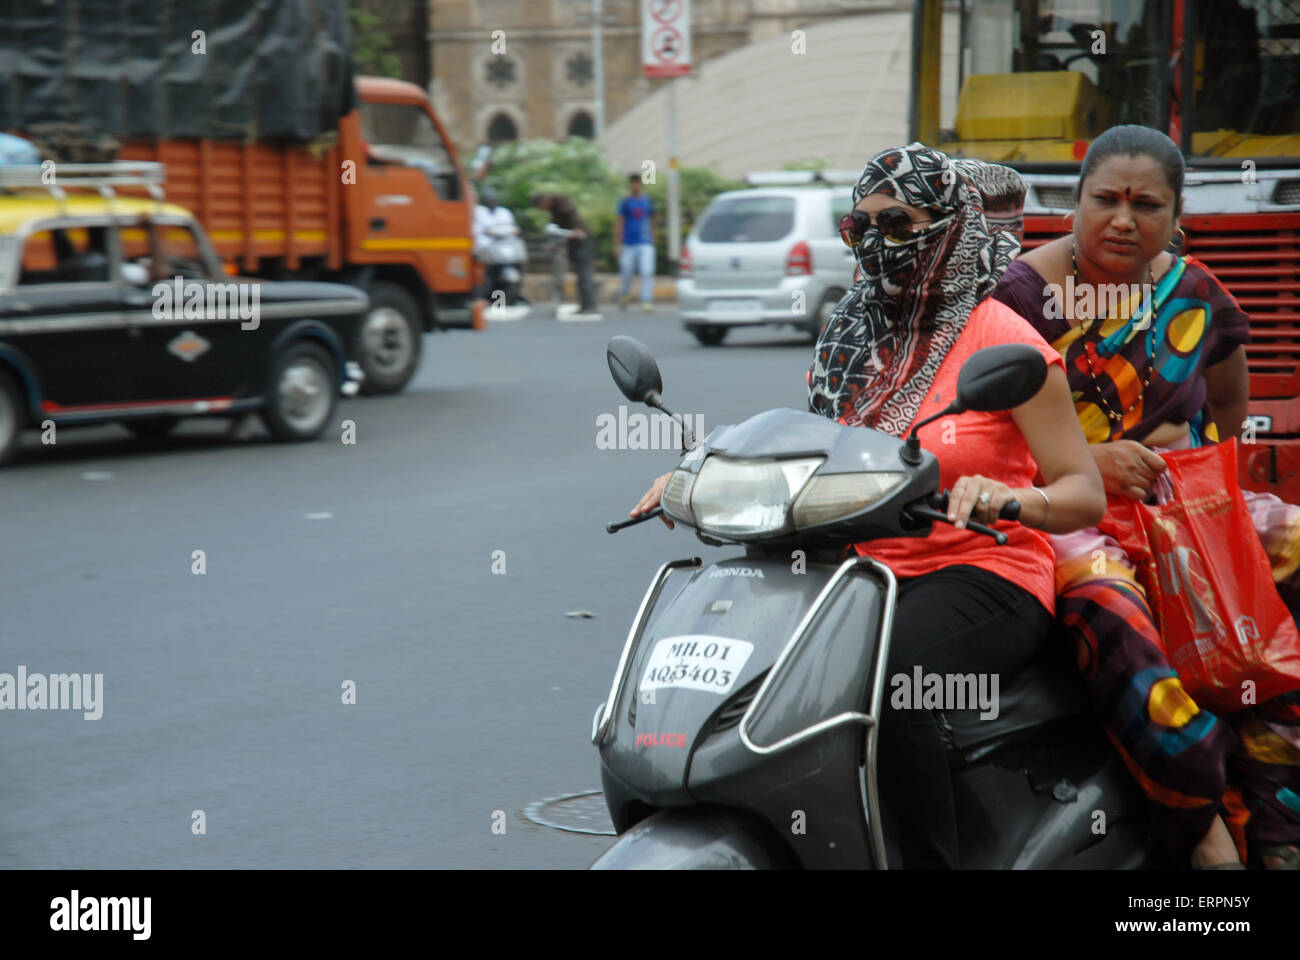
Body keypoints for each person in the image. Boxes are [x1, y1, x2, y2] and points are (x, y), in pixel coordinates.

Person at [631, 143, 1107, 868]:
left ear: (948, 225)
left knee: (894, 683)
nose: (878, 243)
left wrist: (1012, 498)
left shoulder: (1003, 339)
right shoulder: (848, 340)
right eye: (862, 228)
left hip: (982, 570)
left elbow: (1082, 490)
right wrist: (694, 477)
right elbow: (809, 450)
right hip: (857, 573)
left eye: (898, 222)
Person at [989, 124, 1300, 869]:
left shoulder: (1193, 292)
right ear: (1074, 203)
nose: (1124, 219)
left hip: (1177, 504)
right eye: (1106, 200)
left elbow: (1228, 400)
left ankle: (1278, 816)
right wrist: (1090, 458)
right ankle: (1198, 819)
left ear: (1176, 212)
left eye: (1146, 204)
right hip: (1066, 507)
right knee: (1109, 607)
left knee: (1288, 550)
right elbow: (985, 435)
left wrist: (1204, 486)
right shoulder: (1019, 297)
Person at [531, 192, 600, 318]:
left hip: (582, 241)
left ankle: (590, 306)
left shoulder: (561, 202)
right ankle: (585, 306)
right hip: (573, 243)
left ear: (543, 201)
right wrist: (555, 243)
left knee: (584, 275)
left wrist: (575, 231)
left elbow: (572, 220)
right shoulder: (554, 209)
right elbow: (559, 227)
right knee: (580, 276)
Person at [473, 186, 527, 306]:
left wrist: (514, 231)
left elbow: (512, 227)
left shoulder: (504, 212)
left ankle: (515, 295)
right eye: (490, 200)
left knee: (519, 262)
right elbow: (478, 230)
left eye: (494, 200)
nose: (492, 202)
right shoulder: (479, 213)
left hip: (505, 245)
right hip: (487, 246)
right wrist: (490, 232)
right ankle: (493, 297)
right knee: (491, 272)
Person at [614, 173, 655, 311]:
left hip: (645, 242)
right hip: (628, 243)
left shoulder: (648, 201)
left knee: (647, 271)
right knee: (626, 271)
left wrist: (653, 236)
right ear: (630, 185)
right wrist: (617, 244)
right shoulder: (625, 202)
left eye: (637, 183)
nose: (635, 185)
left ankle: (646, 300)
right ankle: (624, 294)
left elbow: (654, 218)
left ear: (641, 185)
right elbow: (619, 222)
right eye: (633, 183)